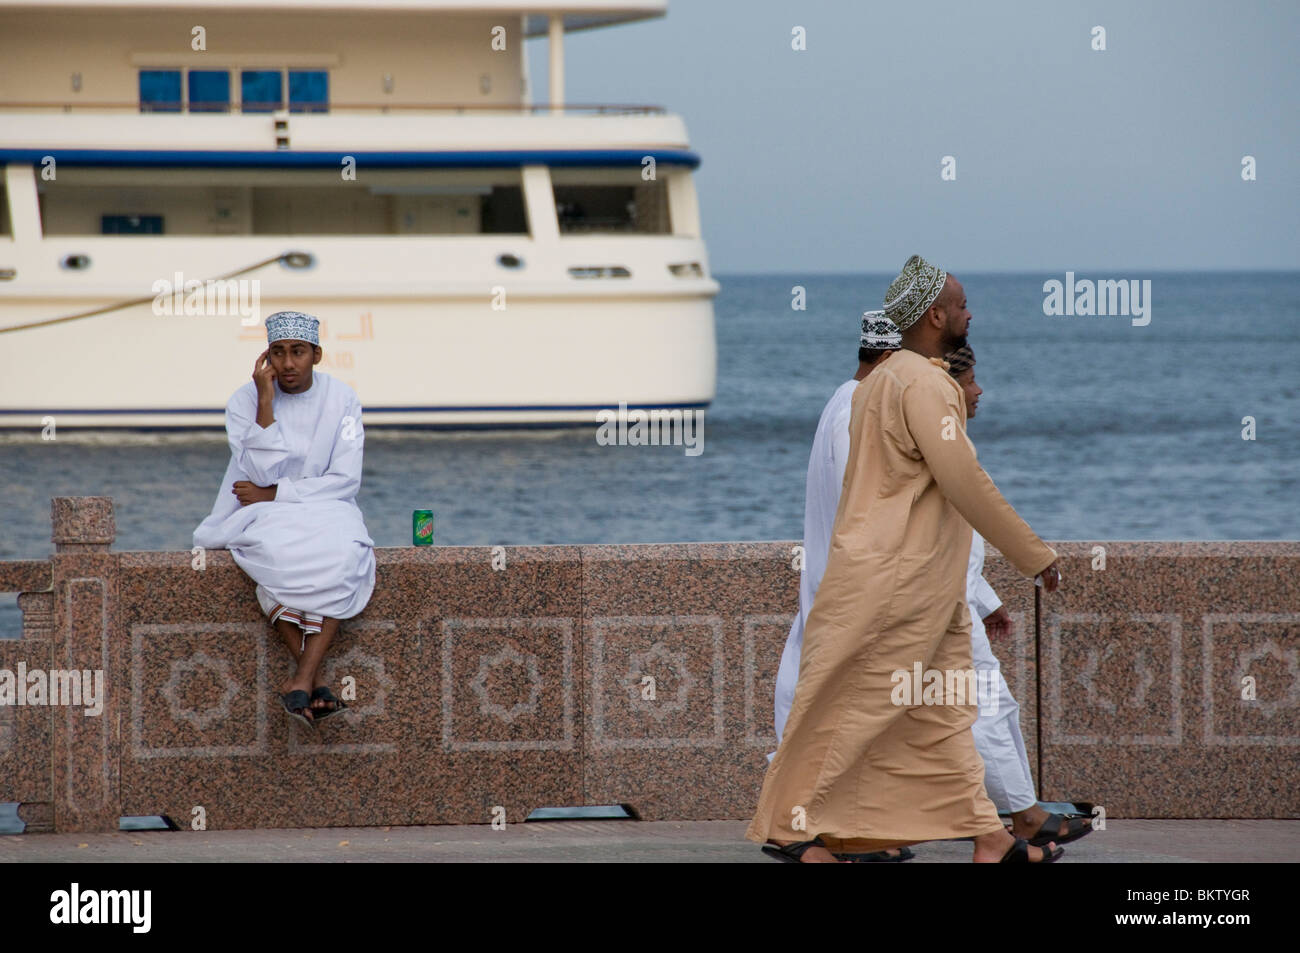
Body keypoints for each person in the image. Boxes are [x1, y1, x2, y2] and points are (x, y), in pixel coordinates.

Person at [746, 254, 1063, 863]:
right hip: (898, 585)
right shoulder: (922, 383)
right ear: (937, 315)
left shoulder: (880, 384)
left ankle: (991, 838)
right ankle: (791, 831)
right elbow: (962, 477)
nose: (970, 313)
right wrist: (1033, 554)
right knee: (852, 711)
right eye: (963, 304)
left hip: (922, 587)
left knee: (942, 714)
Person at [193, 310, 375, 727]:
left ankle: (302, 681)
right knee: (273, 554)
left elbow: (345, 480)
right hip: (259, 509)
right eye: (278, 353)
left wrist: (278, 494)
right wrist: (265, 401)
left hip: (326, 506)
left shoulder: (343, 398)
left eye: (298, 352)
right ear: (266, 357)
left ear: (317, 354)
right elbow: (257, 474)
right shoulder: (245, 400)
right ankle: (311, 682)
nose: (288, 363)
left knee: (346, 555)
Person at [770, 312, 908, 863]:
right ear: (890, 362)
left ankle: (834, 831)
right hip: (850, 589)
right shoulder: (860, 412)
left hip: (835, 586)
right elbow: (869, 508)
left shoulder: (841, 401)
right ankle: (801, 833)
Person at [946, 345, 1092, 848]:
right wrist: (1034, 556)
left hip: (960, 605)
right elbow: (966, 521)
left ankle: (1017, 815)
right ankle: (1019, 818)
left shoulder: (949, 442)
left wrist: (988, 602)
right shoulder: (946, 446)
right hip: (944, 612)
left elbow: (958, 543)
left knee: (996, 705)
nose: (979, 391)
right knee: (984, 709)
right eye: (969, 382)